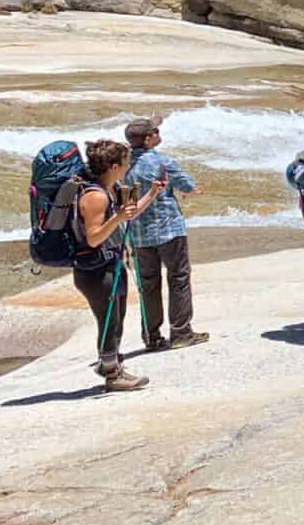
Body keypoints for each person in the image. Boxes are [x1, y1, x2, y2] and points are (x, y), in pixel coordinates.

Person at [73, 140, 164, 392]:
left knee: (117, 319)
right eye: (126, 162)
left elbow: (128, 214)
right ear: (114, 166)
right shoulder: (95, 197)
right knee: (109, 322)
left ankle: (109, 365)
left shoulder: (111, 189)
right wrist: (118, 217)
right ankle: (113, 375)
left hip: (110, 265)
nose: (128, 166)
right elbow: (93, 237)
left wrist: (151, 194)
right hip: (95, 270)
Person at [125, 117, 209, 352]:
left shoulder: (123, 164)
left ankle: (152, 337)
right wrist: (194, 189)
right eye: (156, 131)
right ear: (149, 138)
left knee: (148, 286)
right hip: (169, 230)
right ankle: (181, 332)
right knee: (178, 278)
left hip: (139, 235)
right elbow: (186, 185)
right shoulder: (162, 162)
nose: (159, 133)